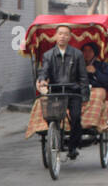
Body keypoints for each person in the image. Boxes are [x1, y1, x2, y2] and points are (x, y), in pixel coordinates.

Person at [36, 24, 89, 159]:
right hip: (56, 91)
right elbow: (44, 70)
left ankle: (72, 146)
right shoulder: (48, 55)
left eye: (65, 34)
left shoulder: (77, 54)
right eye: (60, 33)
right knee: (51, 117)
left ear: (70, 37)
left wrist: (84, 97)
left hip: (73, 91)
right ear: (55, 36)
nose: (62, 36)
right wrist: (42, 80)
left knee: (76, 117)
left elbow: (83, 76)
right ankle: (56, 137)